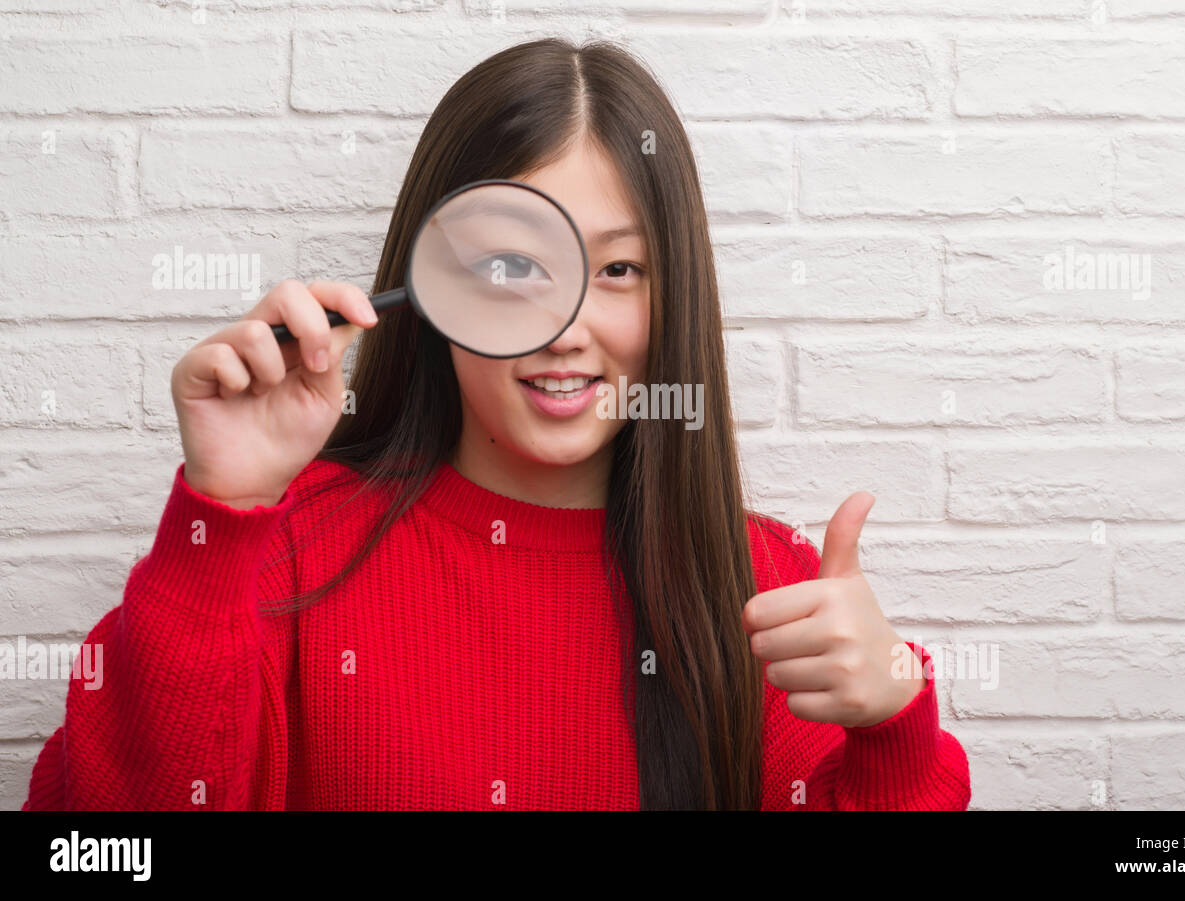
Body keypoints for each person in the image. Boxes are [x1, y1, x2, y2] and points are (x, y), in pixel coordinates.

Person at [23, 37, 970, 811]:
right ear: (433, 291)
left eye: (619, 271)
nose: (566, 329)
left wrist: (893, 728)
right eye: (514, 268)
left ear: (675, 298)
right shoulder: (285, 556)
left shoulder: (774, 599)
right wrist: (217, 520)